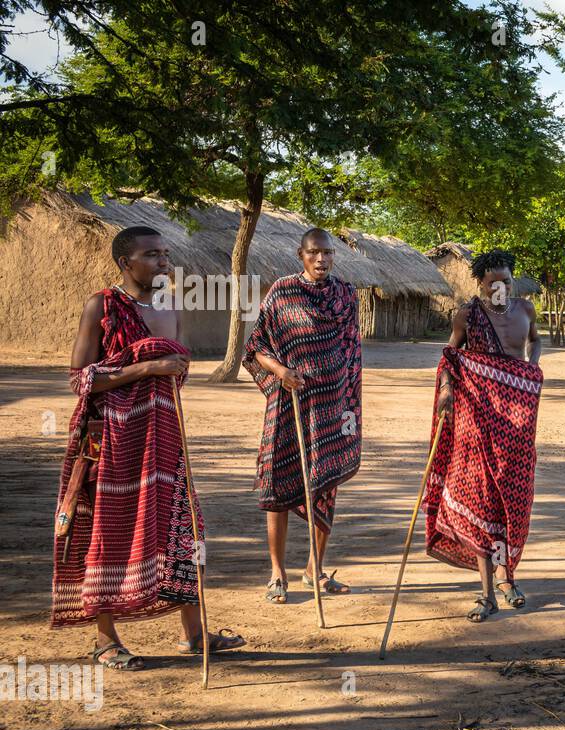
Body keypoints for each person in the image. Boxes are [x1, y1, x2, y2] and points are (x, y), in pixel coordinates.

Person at [53, 226, 245, 668]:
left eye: (165, 253)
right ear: (125, 262)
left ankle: (195, 635)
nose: (162, 262)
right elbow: (80, 378)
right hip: (112, 440)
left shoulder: (171, 307)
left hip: (164, 438)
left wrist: (165, 370)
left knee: (184, 532)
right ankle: (105, 638)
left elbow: (177, 372)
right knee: (109, 532)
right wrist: (147, 368)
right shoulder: (101, 306)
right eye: (151, 255)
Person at [244, 227, 362, 604]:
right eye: (314, 253)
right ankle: (277, 572)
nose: (322, 259)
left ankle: (315, 569)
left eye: (327, 253)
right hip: (289, 403)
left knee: (325, 485)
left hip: (331, 408)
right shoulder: (282, 293)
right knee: (278, 483)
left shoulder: (346, 296)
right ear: (301, 254)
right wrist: (281, 372)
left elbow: (353, 353)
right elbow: (258, 346)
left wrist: (349, 405)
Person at [426, 249, 543, 622]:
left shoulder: (525, 311)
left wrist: (531, 370)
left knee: (512, 497)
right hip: (476, 419)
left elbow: (535, 341)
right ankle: (486, 592)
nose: (500, 288)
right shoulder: (467, 315)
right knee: (480, 498)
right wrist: (446, 387)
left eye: (506, 281)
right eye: (493, 283)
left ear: (513, 281)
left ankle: (509, 577)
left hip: (518, 423)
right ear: (480, 284)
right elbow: (450, 355)